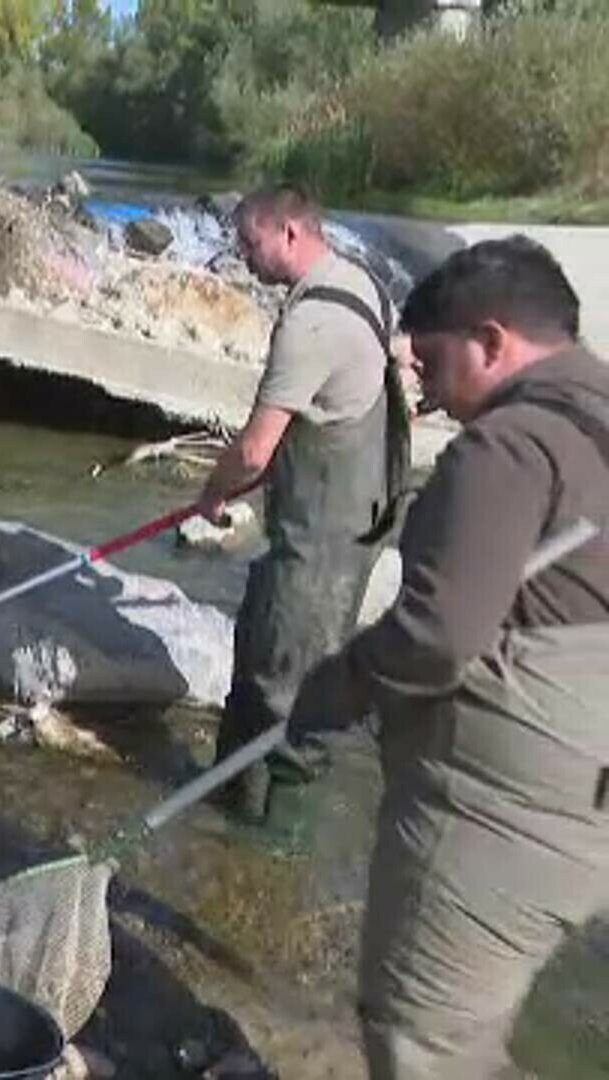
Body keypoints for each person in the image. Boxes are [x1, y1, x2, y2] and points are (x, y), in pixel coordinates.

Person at [289, 236, 609, 1079]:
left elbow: (436, 638)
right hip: (589, 811)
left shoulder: (508, 445)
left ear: (494, 341)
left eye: (429, 361)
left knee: (424, 1035)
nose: (420, 387)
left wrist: (339, 683)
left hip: (516, 806)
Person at [196, 183, 410, 823]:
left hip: (323, 541)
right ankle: (229, 810)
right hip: (358, 517)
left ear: (290, 232)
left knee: (288, 696)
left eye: (250, 242)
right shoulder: (362, 281)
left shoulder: (309, 322)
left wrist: (211, 493)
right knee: (261, 655)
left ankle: (269, 857)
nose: (243, 256)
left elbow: (257, 451)